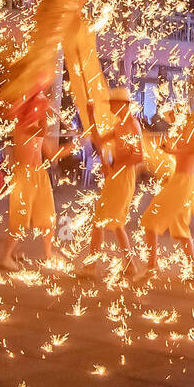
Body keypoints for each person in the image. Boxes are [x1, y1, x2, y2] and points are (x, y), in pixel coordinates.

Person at [82, 88, 144, 277]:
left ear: (122, 105)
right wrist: (90, 116)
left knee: (104, 221)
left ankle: (93, 266)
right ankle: (129, 265)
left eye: (112, 103)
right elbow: (98, 141)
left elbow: (138, 156)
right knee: (112, 222)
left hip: (123, 178)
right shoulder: (119, 125)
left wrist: (115, 168)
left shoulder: (132, 125)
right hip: (116, 178)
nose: (110, 107)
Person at [137, 107, 194, 280]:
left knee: (150, 220)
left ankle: (152, 266)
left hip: (182, 183)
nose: (170, 119)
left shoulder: (191, 131)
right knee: (180, 227)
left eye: (172, 116)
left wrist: (171, 151)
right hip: (180, 181)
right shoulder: (183, 132)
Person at [0, 93, 57, 270]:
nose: (41, 111)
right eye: (39, 107)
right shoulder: (23, 124)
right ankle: (6, 257)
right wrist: (46, 112)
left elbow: (51, 153)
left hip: (39, 175)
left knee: (48, 216)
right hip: (24, 177)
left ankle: (48, 253)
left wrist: (75, 144)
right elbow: (42, 131)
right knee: (20, 218)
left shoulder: (35, 125)